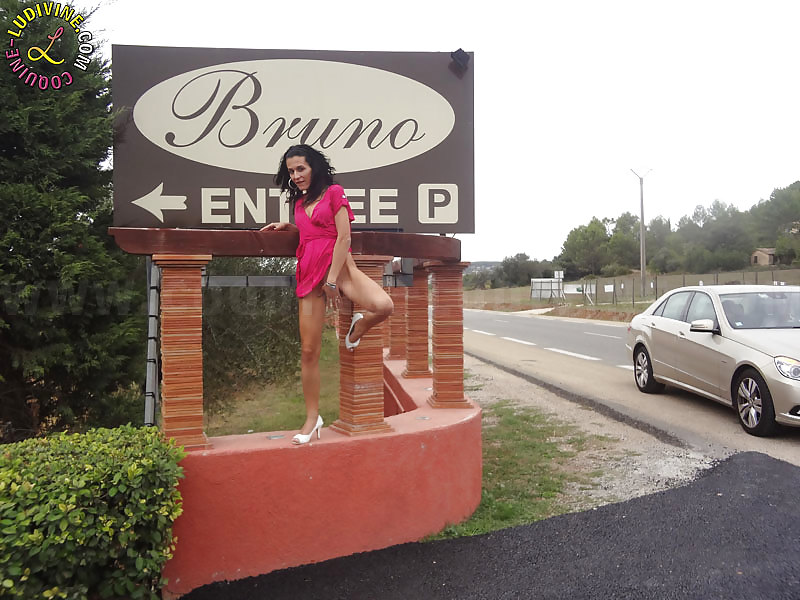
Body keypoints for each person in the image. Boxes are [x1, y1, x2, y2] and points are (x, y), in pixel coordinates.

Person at [261, 145, 393, 445]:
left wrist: (332, 281)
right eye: (291, 171)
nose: (295, 176)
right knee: (309, 351)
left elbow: (343, 236)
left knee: (385, 306)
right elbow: (310, 233)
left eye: (301, 169)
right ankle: (312, 418)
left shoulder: (334, 192)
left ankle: (359, 324)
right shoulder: (298, 202)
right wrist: (289, 226)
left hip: (339, 271)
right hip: (309, 275)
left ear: (314, 167)